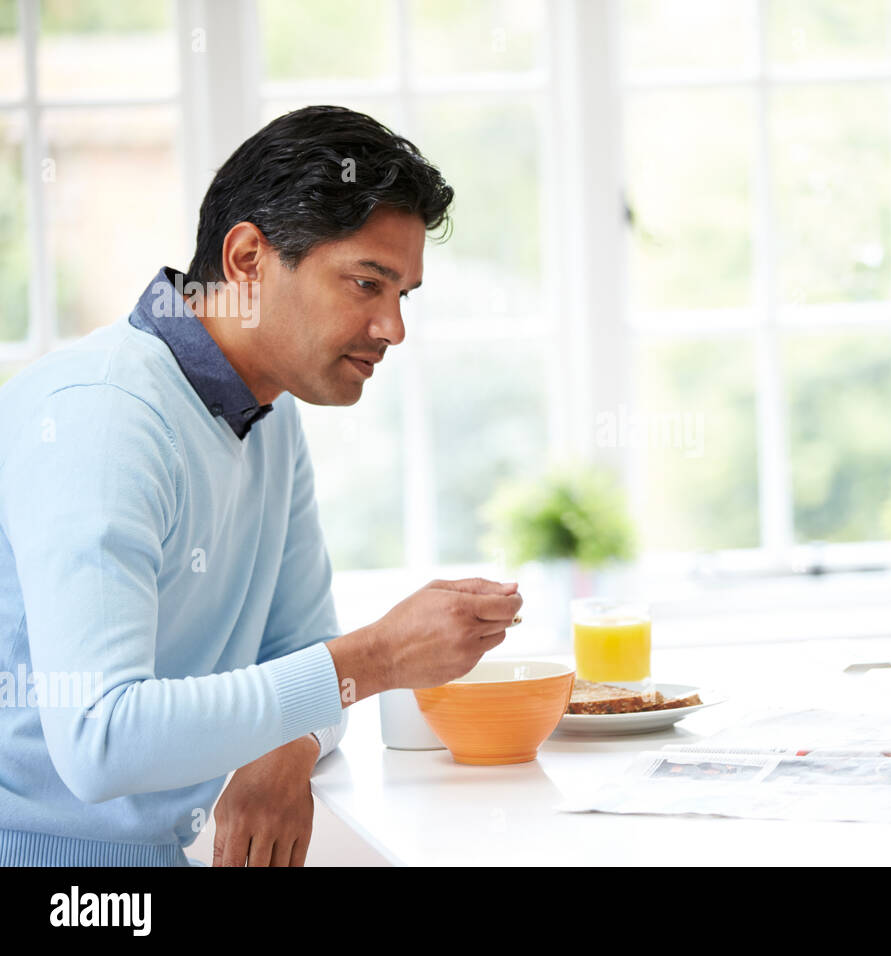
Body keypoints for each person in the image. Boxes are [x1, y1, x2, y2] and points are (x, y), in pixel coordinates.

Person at [0, 105, 523, 866]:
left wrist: (291, 740)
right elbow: (101, 739)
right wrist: (375, 659)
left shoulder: (266, 417)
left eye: (402, 294)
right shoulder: (105, 416)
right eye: (366, 283)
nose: (393, 328)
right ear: (247, 260)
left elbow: (302, 654)